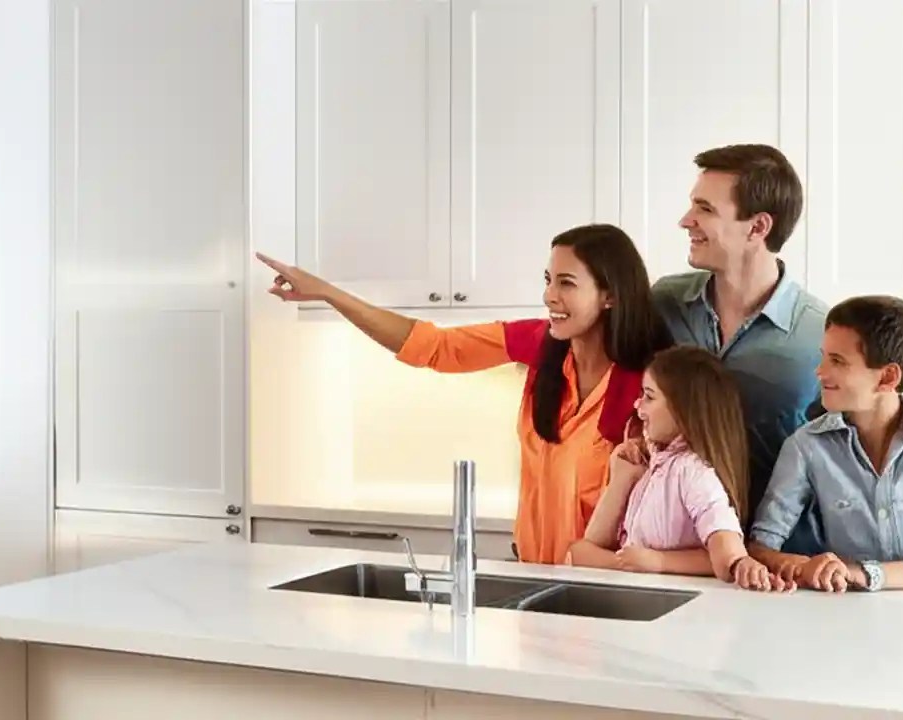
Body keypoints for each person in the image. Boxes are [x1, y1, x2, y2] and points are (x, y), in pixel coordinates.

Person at [256, 224, 675, 565]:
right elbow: (434, 347)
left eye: (567, 283)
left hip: (605, 585)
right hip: (532, 574)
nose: (550, 295)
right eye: (548, 280)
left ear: (610, 295)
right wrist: (328, 293)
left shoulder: (645, 386)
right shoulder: (540, 346)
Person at [651, 143, 827, 552]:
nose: (686, 220)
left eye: (705, 209)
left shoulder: (821, 334)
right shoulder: (663, 304)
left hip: (782, 561)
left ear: (758, 227)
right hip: (677, 555)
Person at [748, 295, 903, 592]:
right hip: (846, 609)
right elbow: (760, 547)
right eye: (824, 357)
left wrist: (864, 574)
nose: (820, 371)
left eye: (837, 361)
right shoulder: (805, 445)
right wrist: (800, 566)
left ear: (888, 377)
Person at [566, 346, 792, 592]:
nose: (638, 405)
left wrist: (658, 562)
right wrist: (622, 478)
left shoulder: (692, 471)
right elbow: (582, 552)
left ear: (683, 409)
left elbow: (724, 546)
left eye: (649, 396)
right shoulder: (649, 466)